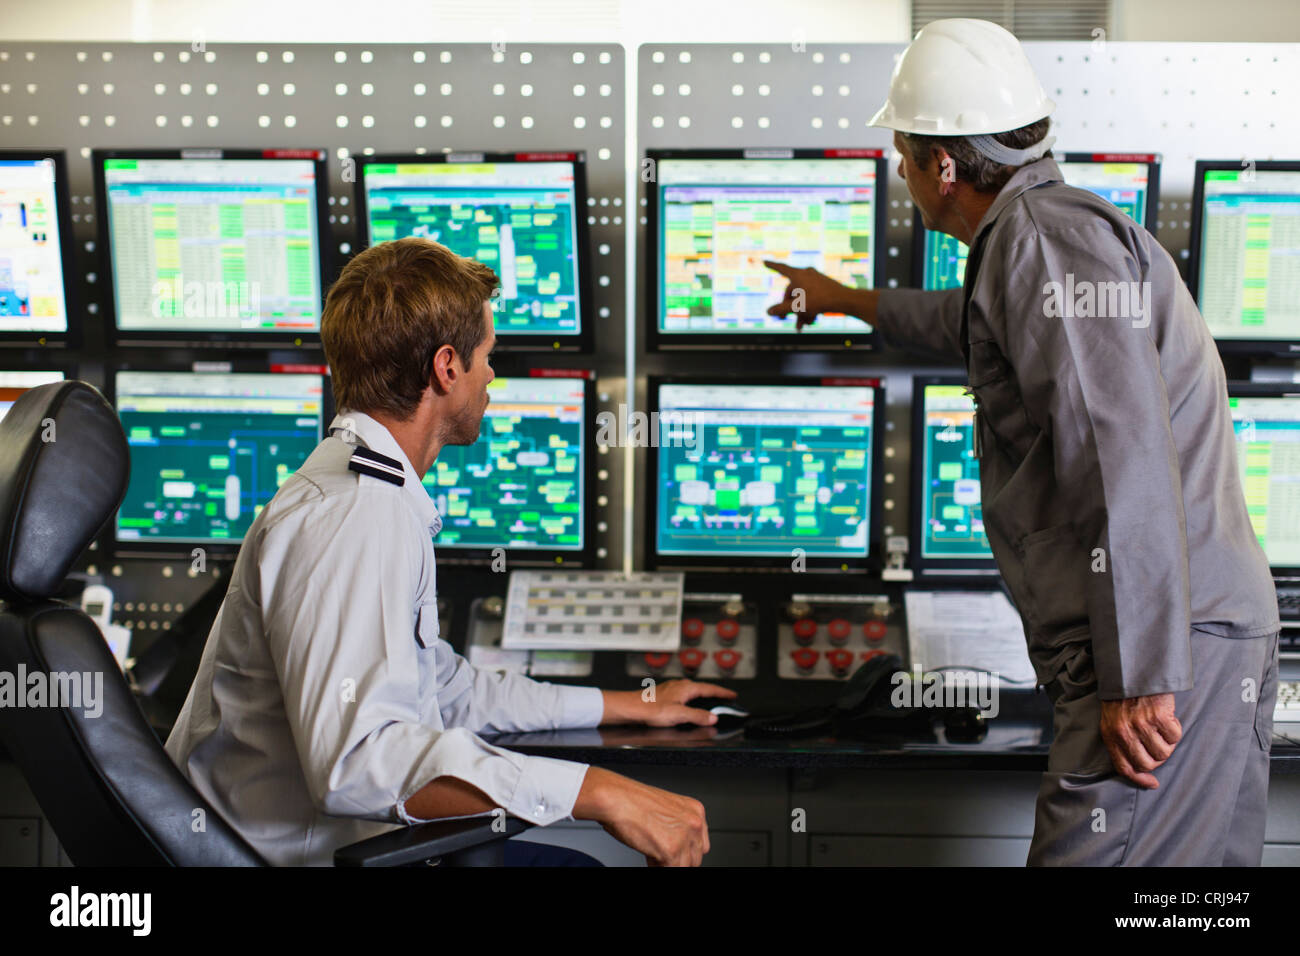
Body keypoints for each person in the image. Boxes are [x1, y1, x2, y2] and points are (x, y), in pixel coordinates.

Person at [765, 18, 1280, 865]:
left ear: (942, 166)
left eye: (901, 153)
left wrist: (1139, 675)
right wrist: (844, 298)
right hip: (1200, 631)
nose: (899, 174)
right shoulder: (1034, 240)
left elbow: (1121, 457)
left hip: (1166, 646)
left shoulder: (1041, 240)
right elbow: (970, 326)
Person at [166, 236, 733, 867]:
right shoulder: (354, 516)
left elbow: (445, 690)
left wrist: (630, 704)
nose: (492, 374)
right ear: (446, 367)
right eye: (488, 356)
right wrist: (596, 792)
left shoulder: (365, 492)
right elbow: (356, 762)